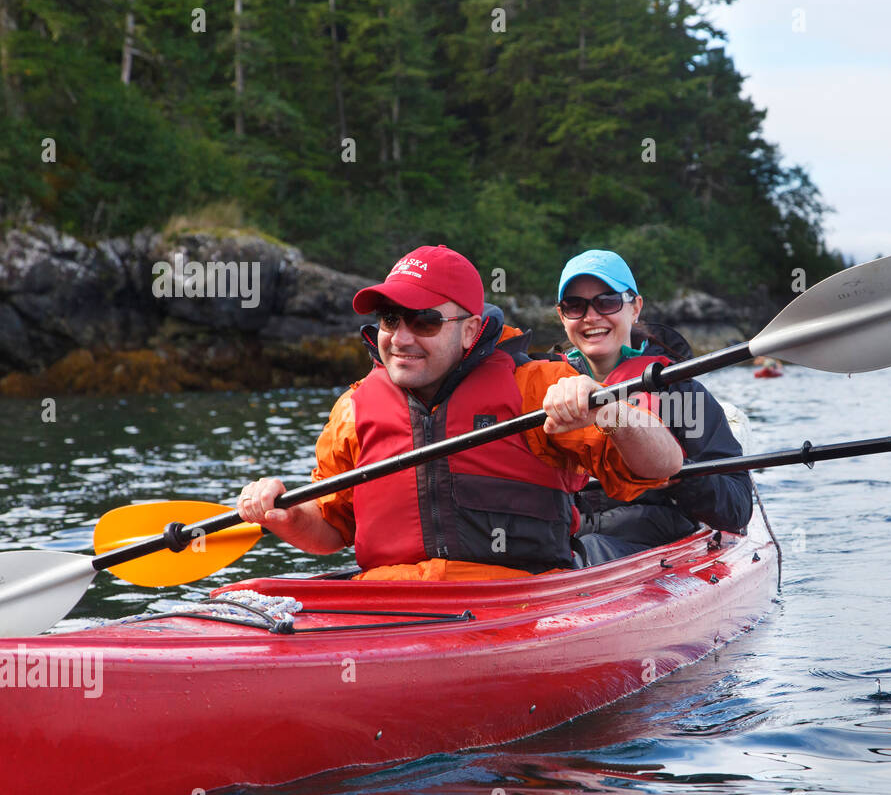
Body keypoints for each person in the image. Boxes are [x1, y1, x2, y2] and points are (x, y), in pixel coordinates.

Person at [236, 245, 683, 580]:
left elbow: (661, 465)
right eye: (391, 319)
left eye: (425, 321)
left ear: (470, 330)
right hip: (388, 607)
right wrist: (286, 517)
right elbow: (332, 530)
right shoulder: (354, 408)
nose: (402, 338)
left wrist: (609, 410)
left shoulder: (534, 387)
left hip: (518, 603)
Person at [555, 249, 753, 565]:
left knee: (590, 548)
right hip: (564, 538)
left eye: (607, 302)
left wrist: (679, 474)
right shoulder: (546, 386)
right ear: (562, 317)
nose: (591, 316)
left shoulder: (680, 392)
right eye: (575, 306)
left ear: (635, 308)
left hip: (649, 542)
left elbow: (737, 508)